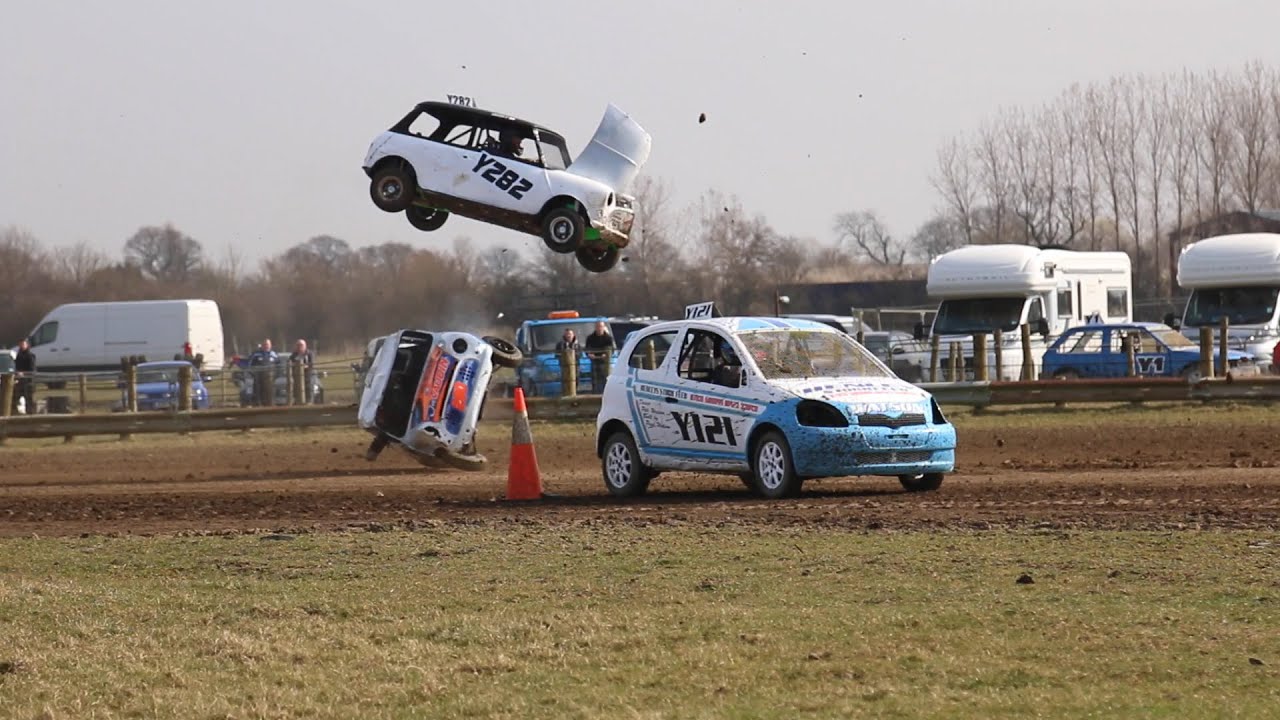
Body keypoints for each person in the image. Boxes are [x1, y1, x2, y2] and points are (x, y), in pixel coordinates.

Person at [583, 322, 615, 393]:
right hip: (594, 361)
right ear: (595, 327)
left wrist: (606, 354)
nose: (599, 328)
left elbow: (612, 349)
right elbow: (587, 349)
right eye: (598, 326)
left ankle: (607, 392)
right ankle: (595, 392)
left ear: (603, 327)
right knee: (595, 379)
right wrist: (589, 354)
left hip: (605, 362)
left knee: (605, 378)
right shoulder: (590, 338)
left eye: (601, 326)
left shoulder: (608, 338)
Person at [248, 339, 278, 406]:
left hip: (269, 379)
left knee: (269, 394)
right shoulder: (256, 354)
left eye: (267, 344)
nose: (266, 346)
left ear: (270, 345)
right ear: (262, 345)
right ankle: (258, 406)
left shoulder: (274, 354)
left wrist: (276, 375)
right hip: (258, 379)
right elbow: (249, 365)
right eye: (265, 344)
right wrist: (254, 374)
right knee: (258, 394)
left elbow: (279, 366)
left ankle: (270, 406)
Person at [289, 339, 316, 403]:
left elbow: (311, 365)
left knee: (308, 391)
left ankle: (308, 403)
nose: (299, 347)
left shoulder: (309, 354)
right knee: (297, 391)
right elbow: (290, 364)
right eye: (298, 345)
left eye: (301, 345)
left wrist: (304, 367)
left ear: (305, 346)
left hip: (307, 377)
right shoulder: (293, 355)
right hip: (297, 377)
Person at [13, 339, 35, 414]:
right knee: (15, 398)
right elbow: (16, 367)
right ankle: (14, 413)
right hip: (19, 382)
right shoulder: (18, 356)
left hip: (28, 382)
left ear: (27, 345)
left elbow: (32, 369)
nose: (21, 346)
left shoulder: (30, 356)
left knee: (29, 400)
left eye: (23, 344)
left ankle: (30, 415)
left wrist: (24, 374)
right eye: (20, 344)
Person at [556, 329, 580, 393]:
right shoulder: (560, 344)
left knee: (576, 380)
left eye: (570, 334)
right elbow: (557, 355)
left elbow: (580, 355)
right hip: (564, 366)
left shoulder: (577, 344)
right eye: (567, 334)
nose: (569, 336)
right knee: (565, 381)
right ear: (564, 335)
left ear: (573, 335)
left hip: (575, 366)